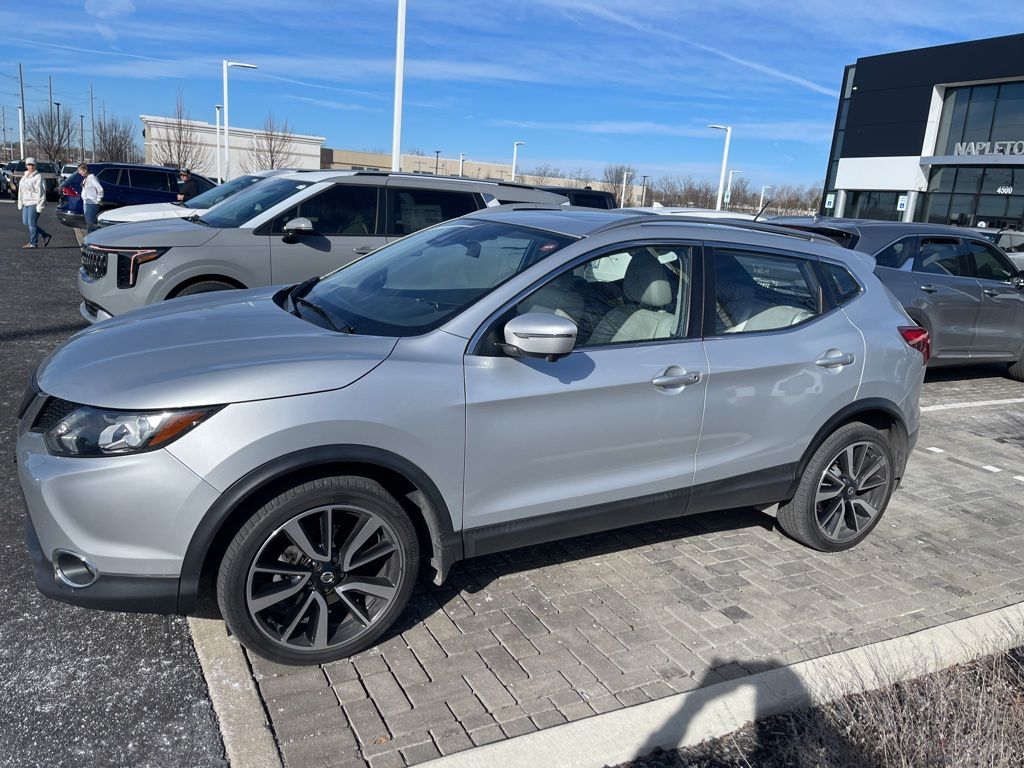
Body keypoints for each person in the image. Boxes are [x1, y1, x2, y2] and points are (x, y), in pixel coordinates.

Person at [17, 157, 50, 248]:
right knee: (26, 222)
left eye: (32, 165)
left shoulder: (38, 177)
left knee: (32, 223)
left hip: (34, 202)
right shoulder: (24, 177)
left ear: (35, 165)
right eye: (29, 164)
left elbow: (41, 192)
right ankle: (45, 235)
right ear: (26, 165)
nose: (31, 166)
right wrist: (20, 202)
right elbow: (21, 191)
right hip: (26, 203)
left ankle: (33, 243)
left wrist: (39, 206)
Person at [79, 163, 103, 232]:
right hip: (86, 202)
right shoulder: (86, 178)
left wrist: (99, 199)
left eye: (80, 171)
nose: (79, 172)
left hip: (92, 203)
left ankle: (92, 236)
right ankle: (90, 235)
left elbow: (100, 189)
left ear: (85, 170)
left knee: (90, 223)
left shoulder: (92, 178)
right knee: (88, 222)